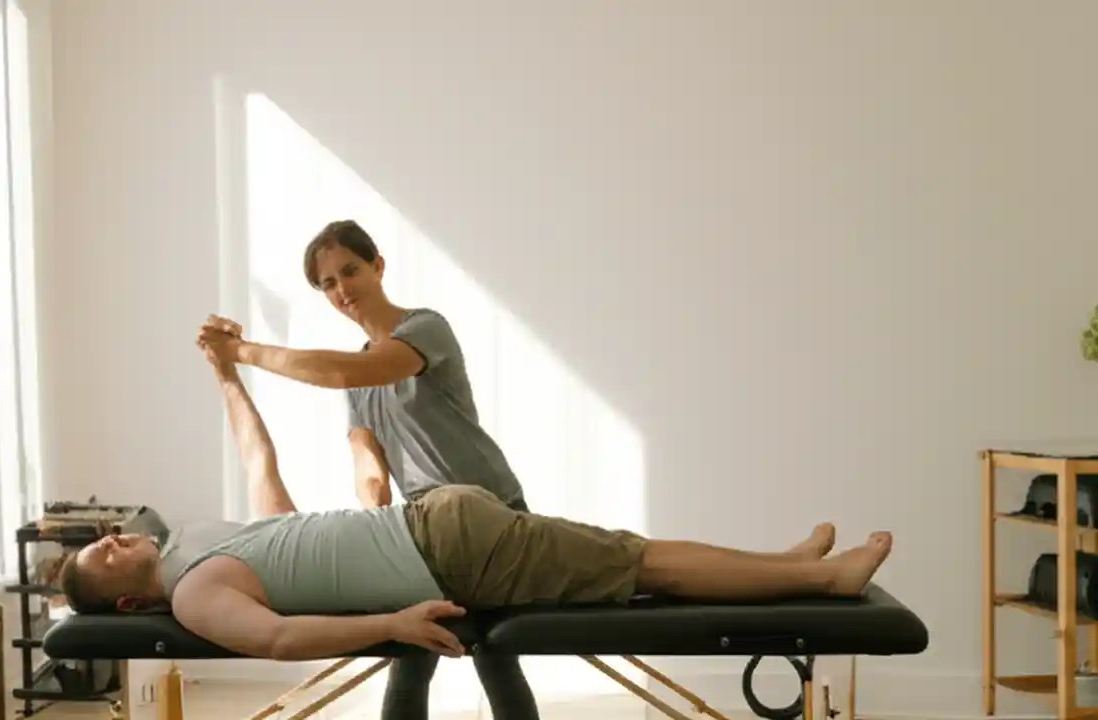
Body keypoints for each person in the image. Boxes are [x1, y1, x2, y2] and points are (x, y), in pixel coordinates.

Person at [59, 340, 894, 676]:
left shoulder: (208, 541)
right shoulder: (199, 593)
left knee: (640, 556)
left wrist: (227, 378)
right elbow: (281, 640)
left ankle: (801, 569)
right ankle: (817, 578)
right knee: (643, 564)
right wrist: (388, 624)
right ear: (129, 602)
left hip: (437, 523)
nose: (116, 538)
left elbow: (259, 462)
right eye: (103, 556)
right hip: (449, 553)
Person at [198, 219, 537, 717]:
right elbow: (370, 468)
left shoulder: (424, 328)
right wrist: (371, 527)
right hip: (425, 531)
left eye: (349, 271)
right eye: (328, 284)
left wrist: (244, 353)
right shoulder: (357, 379)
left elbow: (346, 371)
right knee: (409, 651)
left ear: (378, 266)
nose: (341, 290)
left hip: (492, 515)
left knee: (496, 656)